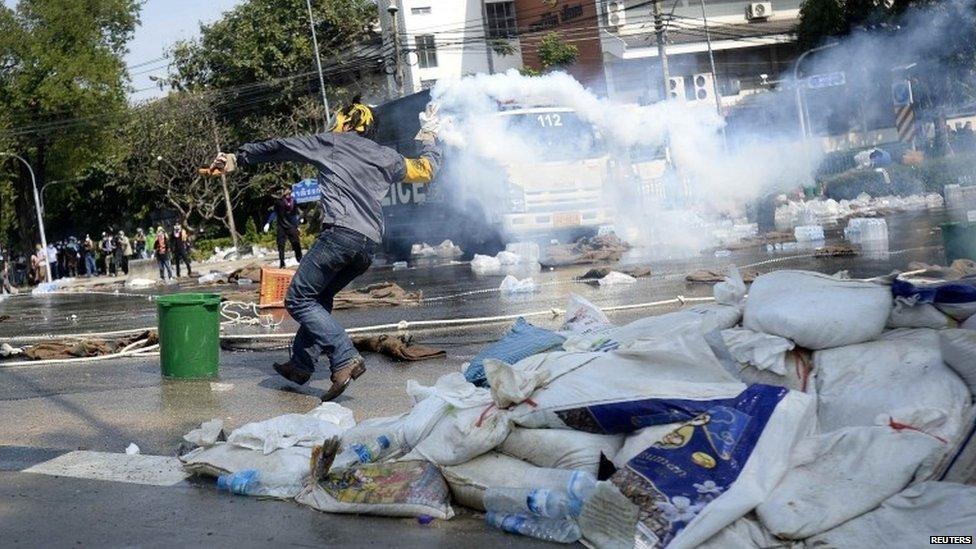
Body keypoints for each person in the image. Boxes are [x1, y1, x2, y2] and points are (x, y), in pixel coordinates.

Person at [210, 100, 442, 401]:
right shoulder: (386, 156)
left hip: (339, 236)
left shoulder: (332, 143)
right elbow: (426, 170)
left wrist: (237, 158)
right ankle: (301, 364)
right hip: (367, 246)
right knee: (319, 298)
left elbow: (281, 147)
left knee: (297, 299)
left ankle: (344, 357)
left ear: (346, 122)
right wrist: (429, 135)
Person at [264, 185, 304, 268]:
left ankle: (300, 259)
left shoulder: (294, 201)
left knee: (296, 243)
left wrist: (297, 225)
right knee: (281, 245)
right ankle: (282, 263)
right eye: (283, 190)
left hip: (291, 226)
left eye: (285, 189)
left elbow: (295, 214)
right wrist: (268, 223)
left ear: (290, 191)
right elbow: (274, 213)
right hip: (281, 226)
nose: (284, 191)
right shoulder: (278, 202)